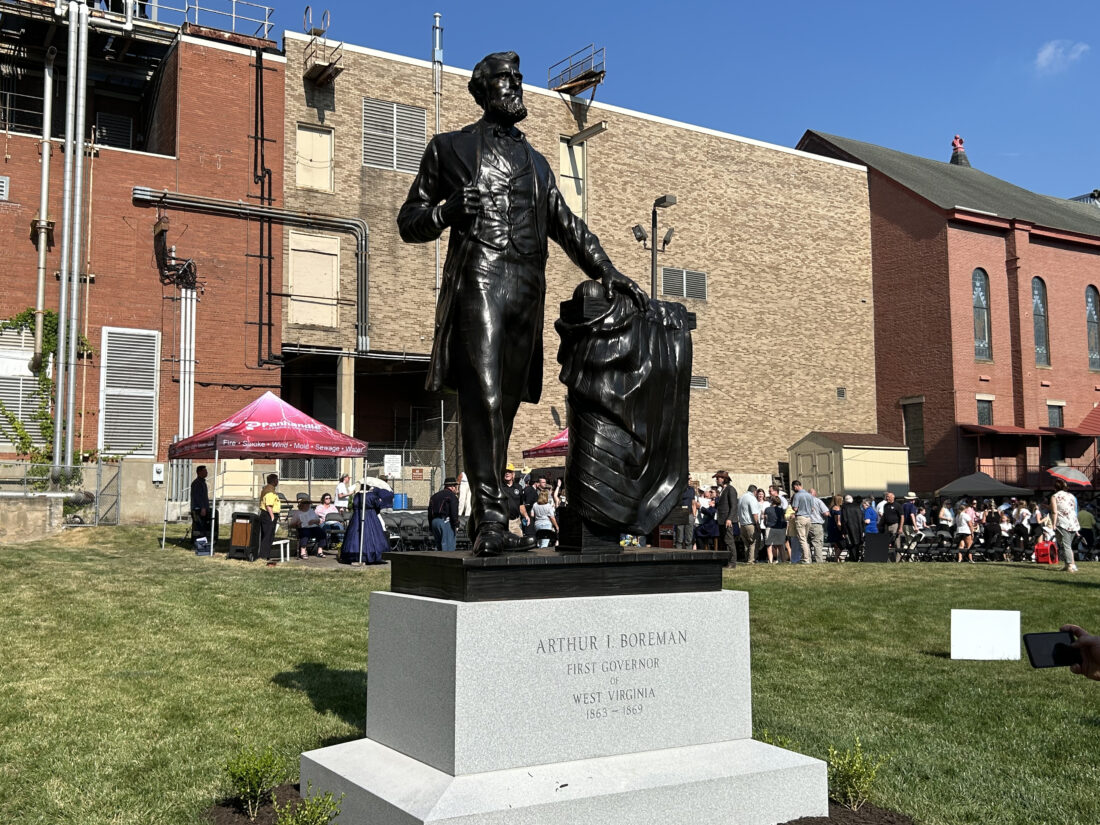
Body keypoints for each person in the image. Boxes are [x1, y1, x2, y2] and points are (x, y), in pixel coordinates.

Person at [398, 50, 645, 556]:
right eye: (505, 80)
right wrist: (446, 210)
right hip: (480, 281)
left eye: (518, 79)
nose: (516, 87)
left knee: (505, 406)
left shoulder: (535, 162)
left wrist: (609, 271)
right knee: (483, 395)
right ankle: (490, 516)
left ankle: (490, 513)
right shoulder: (449, 147)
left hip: (527, 290)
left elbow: (568, 226)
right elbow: (409, 220)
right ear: (482, 90)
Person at [342, 484, 393, 564]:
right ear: (369, 488)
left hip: (357, 516)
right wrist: (378, 503)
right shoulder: (372, 495)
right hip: (370, 515)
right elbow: (378, 505)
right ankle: (371, 555)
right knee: (371, 534)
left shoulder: (357, 495)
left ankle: (356, 555)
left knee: (356, 534)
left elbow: (354, 505)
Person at [1050, 478, 1080, 573]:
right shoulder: (1071, 496)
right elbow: (1074, 509)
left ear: (1055, 487)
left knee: (1065, 545)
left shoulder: (1054, 496)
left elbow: (1054, 512)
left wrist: (1054, 524)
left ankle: (1070, 566)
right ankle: (1068, 565)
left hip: (1063, 522)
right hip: (1073, 522)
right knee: (1068, 545)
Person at [427, 477, 461, 552]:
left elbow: (429, 513)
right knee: (448, 548)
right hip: (445, 521)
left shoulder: (434, 496)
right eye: (456, 487)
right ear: (452, 487)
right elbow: (454, 512)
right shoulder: (452, 496)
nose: (457, 489)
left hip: (434, 522)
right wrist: (456, 524)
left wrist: (430, 526)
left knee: (439, 547)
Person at [714, 471, 739, 566]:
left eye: (718, 478)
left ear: (724, 479)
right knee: (723, 541)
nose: (716, 480)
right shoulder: (722, 490)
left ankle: (732, 562)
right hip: (721, 520)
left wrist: (729, 519)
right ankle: (726, 561)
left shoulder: (730, 489)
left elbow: (734, 506)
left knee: (729, 541)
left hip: (727, 520)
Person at [790, 480, 815, 564]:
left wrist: (794, 508)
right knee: (805, 539)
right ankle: (807, 558)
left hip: (800, 517)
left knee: (802, 539)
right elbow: (812, 509)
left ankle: (806, 559)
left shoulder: (797, 495)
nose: (793, 489)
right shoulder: (810, 495)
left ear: (796, 486)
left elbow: (795, 508)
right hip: (808, 518)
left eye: (793, 487)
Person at [737, 484, 761, 564]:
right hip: (750, 523)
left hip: (742, 524)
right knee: (754, 542)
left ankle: (746, 558)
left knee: (746, 543)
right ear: (755, 491)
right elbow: (754, 513)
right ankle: (751, 560)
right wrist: (757, 524)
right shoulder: (751, 498)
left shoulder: (741, 497)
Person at [258, 473, 280, 562]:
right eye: (277, 480)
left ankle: (266, 554)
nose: (277, 482)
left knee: (268, 535)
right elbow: (269, 505)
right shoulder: (269, 491)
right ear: (274, 481)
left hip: (267, 514)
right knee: (268, 535)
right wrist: (272, 517)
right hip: (268, 515)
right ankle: (264, 555)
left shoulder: (268, 489)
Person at [190, 465, 210, 545]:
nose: (206, 472)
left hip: (201, 508)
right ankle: (200, 543)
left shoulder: (202, 482)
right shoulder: (197, 483)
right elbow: (198, 497)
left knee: (201, 526)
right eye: (205, 471)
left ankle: (198, 541)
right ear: (199, 472)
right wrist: (202, 508)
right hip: (198, 509)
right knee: (199, 527)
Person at [763, 495, 787, 563]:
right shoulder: (781, 510)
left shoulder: (767, 509)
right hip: (780, 528)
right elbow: (784, 519)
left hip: (770, 528)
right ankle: (784, 560)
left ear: (771, 501)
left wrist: (766, 525)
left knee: (769, 545)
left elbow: (765, 519)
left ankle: (770, 561)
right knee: (780, 545)